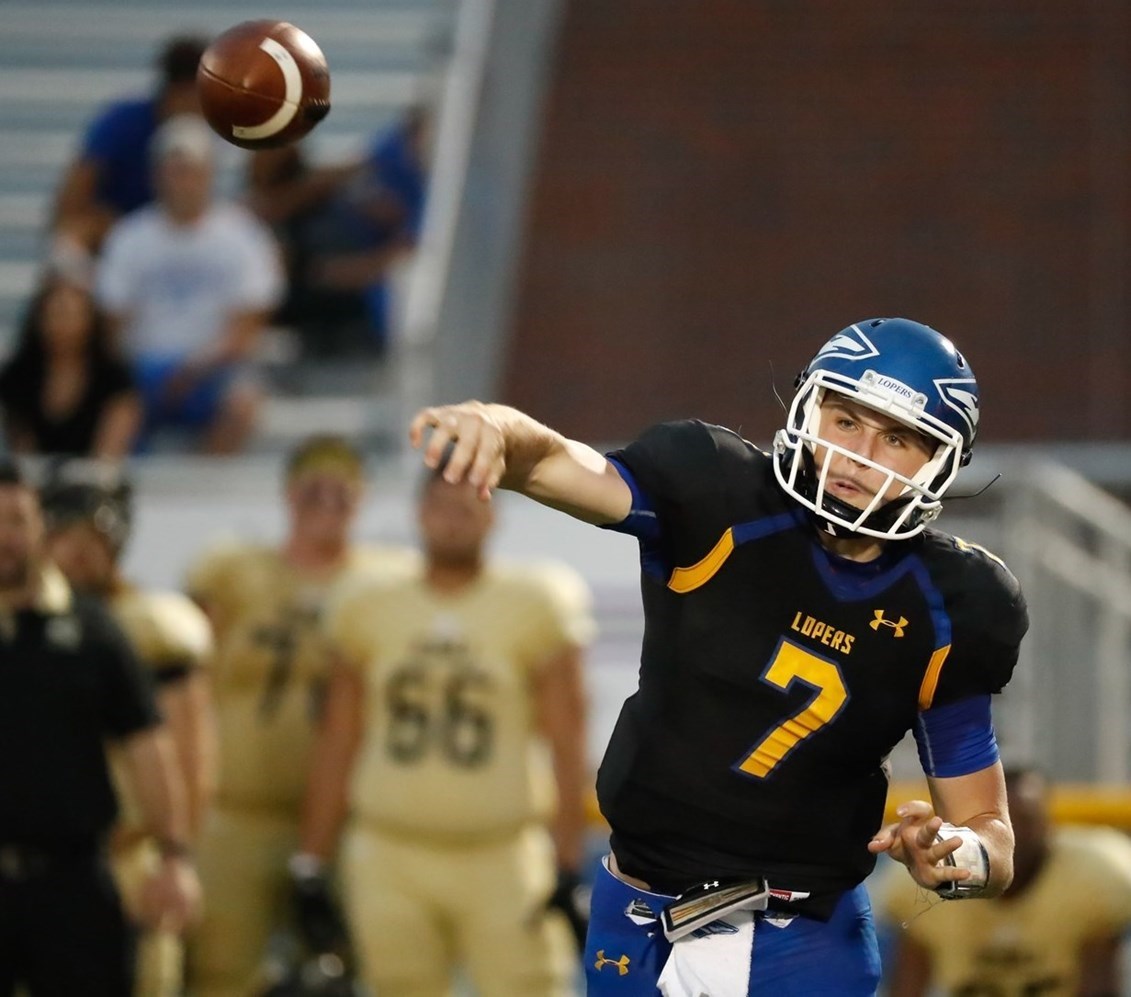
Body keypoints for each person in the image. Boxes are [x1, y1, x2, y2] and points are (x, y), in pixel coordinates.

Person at [408, 316, 1030, 996]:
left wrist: (958, 854)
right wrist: (493, 425)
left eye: (898, 438)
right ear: (808, 406)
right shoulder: (715, 492)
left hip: (802, 937)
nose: (860, 454)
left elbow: (988, 832)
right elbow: (554, 459)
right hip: (636, 912)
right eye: (845, 420)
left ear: (939, 460)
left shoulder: (955, 603)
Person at [295, 461, 595, 995]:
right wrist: (312, 859)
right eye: (440, 507)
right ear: (418, 513)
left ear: (493, 516)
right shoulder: (369, 603)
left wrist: (568, 860)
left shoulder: (535, 602)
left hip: (502, 851)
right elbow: (338, 739)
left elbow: (568, 739)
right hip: (391, 849)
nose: (452, 521)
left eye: (467, 507)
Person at [184, 434, 416, 997]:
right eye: (314, 489)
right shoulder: (234, 573)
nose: (328, 502)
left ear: (361, 501)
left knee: (363, 967)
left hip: (352, 816)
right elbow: (183, 687)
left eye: (343, 491)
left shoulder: (390, 581)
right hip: (241, 810)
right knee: (219, 968)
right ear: (289, 496)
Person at [0, 459, 200, 995]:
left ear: (40, 526)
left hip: (73, 878)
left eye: (17, 520)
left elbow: (150, 746)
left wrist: (174, 856)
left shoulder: (95, 633)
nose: (5, 538)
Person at [95, 113, 284, 454]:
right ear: (157, 174)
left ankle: (209, 488)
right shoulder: (129, 237)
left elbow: (248, 326)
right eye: (174, 170)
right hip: (145, 368)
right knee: (113, 400)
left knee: (242, 404)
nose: (182, 181)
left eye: (190, 171)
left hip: (214, 369)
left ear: (208, 174)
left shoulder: (243, 236)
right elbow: (113, 325)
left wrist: (194, 368)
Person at [877, 765, 1131, 996]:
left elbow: (1100, 988)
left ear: (1048, 826)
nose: (1012, 837)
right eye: (998, 825)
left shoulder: (1093, 879)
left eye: (1024, 821)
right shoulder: (924, 879)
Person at [246, 106, 429, 361]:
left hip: (348, 270)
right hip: (321, 233)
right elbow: (347, 171)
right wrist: (281, 203)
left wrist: (340, 272)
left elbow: (397, 255)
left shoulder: (433, 195)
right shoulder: (393, 148)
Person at [50, 34, 208, 259]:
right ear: (176, 91)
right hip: (122, 232)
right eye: (195, 98)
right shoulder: (123, 124)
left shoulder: (214, 126)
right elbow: (71, 199)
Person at [0, 272, 141, 458]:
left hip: (94, 479)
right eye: (55, 315)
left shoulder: (114, 377)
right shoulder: (18, 374)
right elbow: (21, 447)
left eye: (71, 315)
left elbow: (110, 453)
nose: (62, 325)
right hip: (32, 478)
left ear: (91, 321)